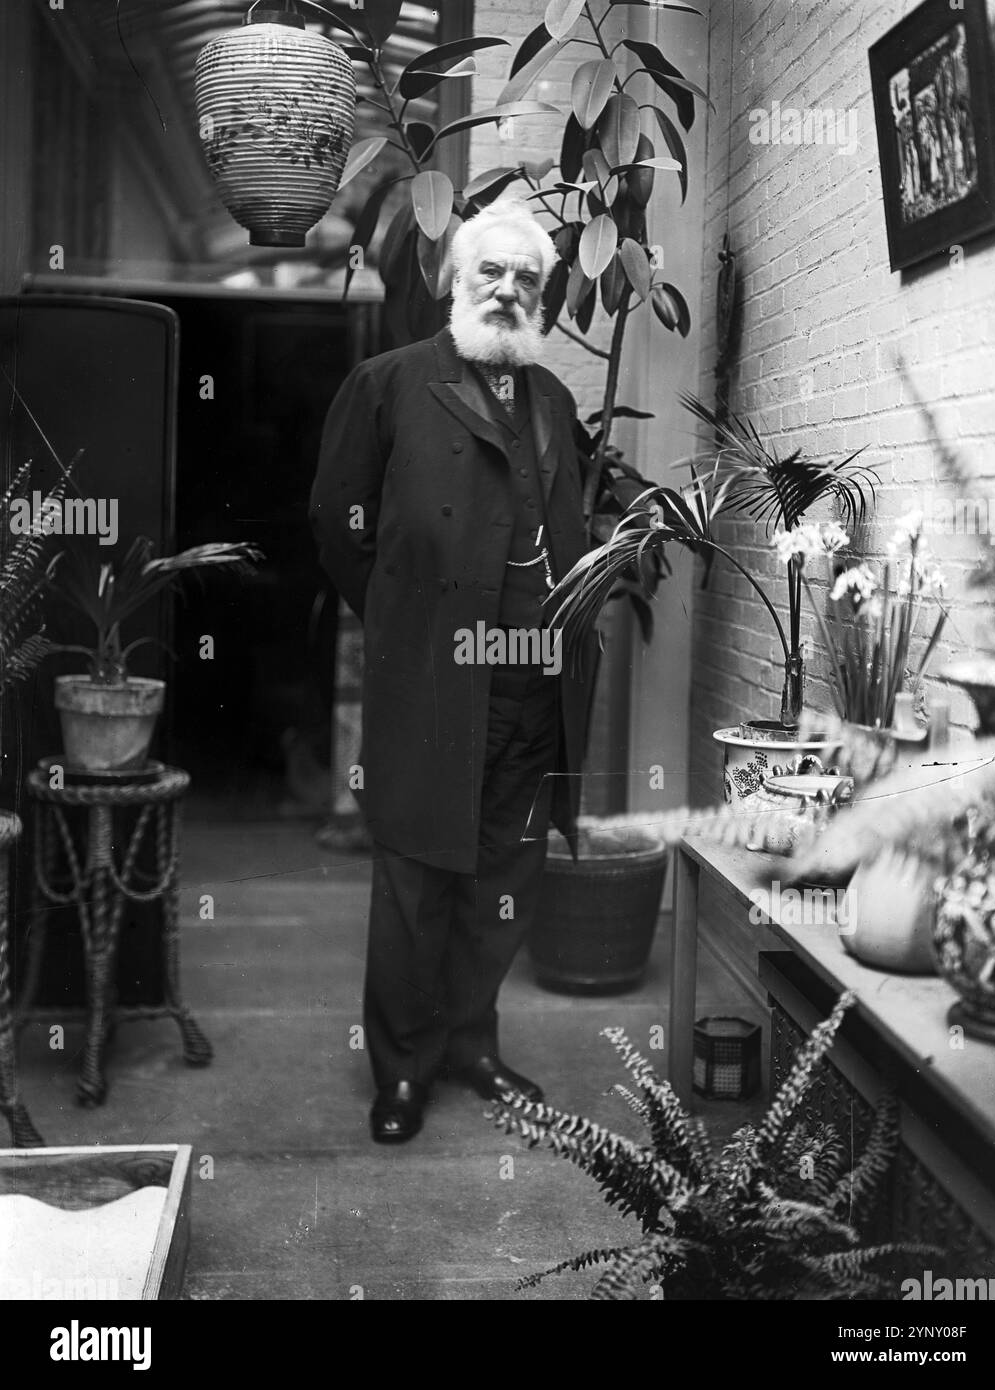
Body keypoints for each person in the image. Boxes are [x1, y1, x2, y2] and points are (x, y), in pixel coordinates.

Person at [309, 198, 595, 1143]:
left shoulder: (553, 401)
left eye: (527, 279)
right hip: (432, 681)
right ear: (453, 282)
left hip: (533, 688)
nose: (509, 290)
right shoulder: (388, 385)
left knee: (501, 878)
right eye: (492, 273)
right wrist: (407, 627)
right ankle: (401, 1073)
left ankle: (471, 1043)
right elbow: (338, 525)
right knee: (413, 885)